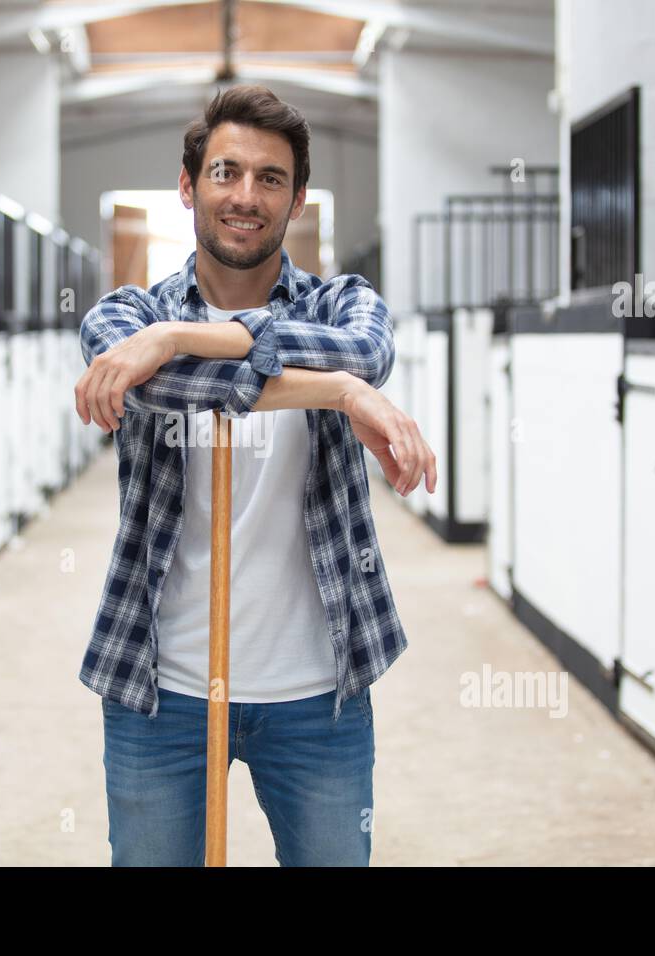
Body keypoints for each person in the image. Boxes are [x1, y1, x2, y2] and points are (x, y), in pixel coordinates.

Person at [73, 84, 437, 866]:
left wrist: (186, 337)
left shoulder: (343, 302)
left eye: (270, 178)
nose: (246, 196)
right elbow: (160, 386)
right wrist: (337, 392)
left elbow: (365, 354)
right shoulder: (123, 318)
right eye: (226, 172)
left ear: (297, 199)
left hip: (318, 694)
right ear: (188, 186)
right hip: (158, 686)